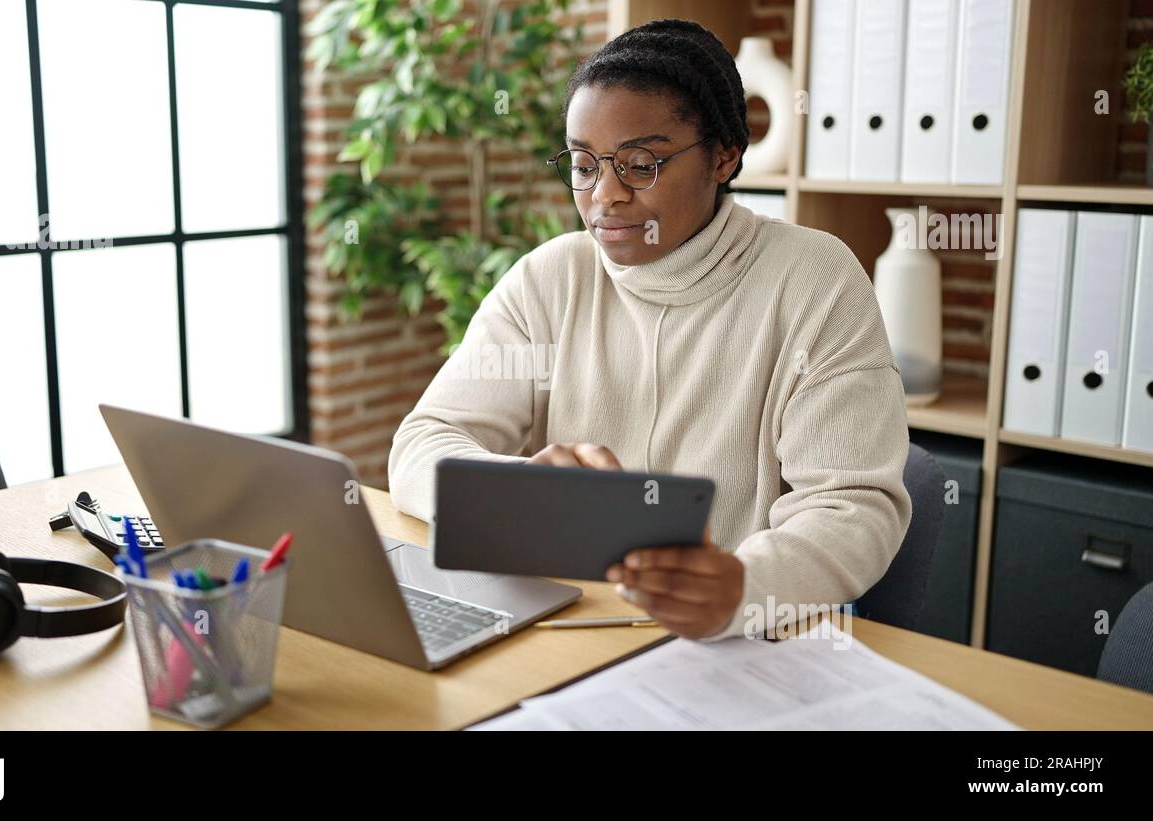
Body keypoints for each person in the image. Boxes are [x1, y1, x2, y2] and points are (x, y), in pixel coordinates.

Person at [388, 19, 911, 641]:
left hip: (732, 643)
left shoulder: (814, 279)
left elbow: (852, 505)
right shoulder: (552, 277)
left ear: (724, 156)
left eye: (639, 164)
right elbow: (424, 441)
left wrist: (744, 587)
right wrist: (517, 489)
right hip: (573, 623)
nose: (604, 195)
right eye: (583, 165)